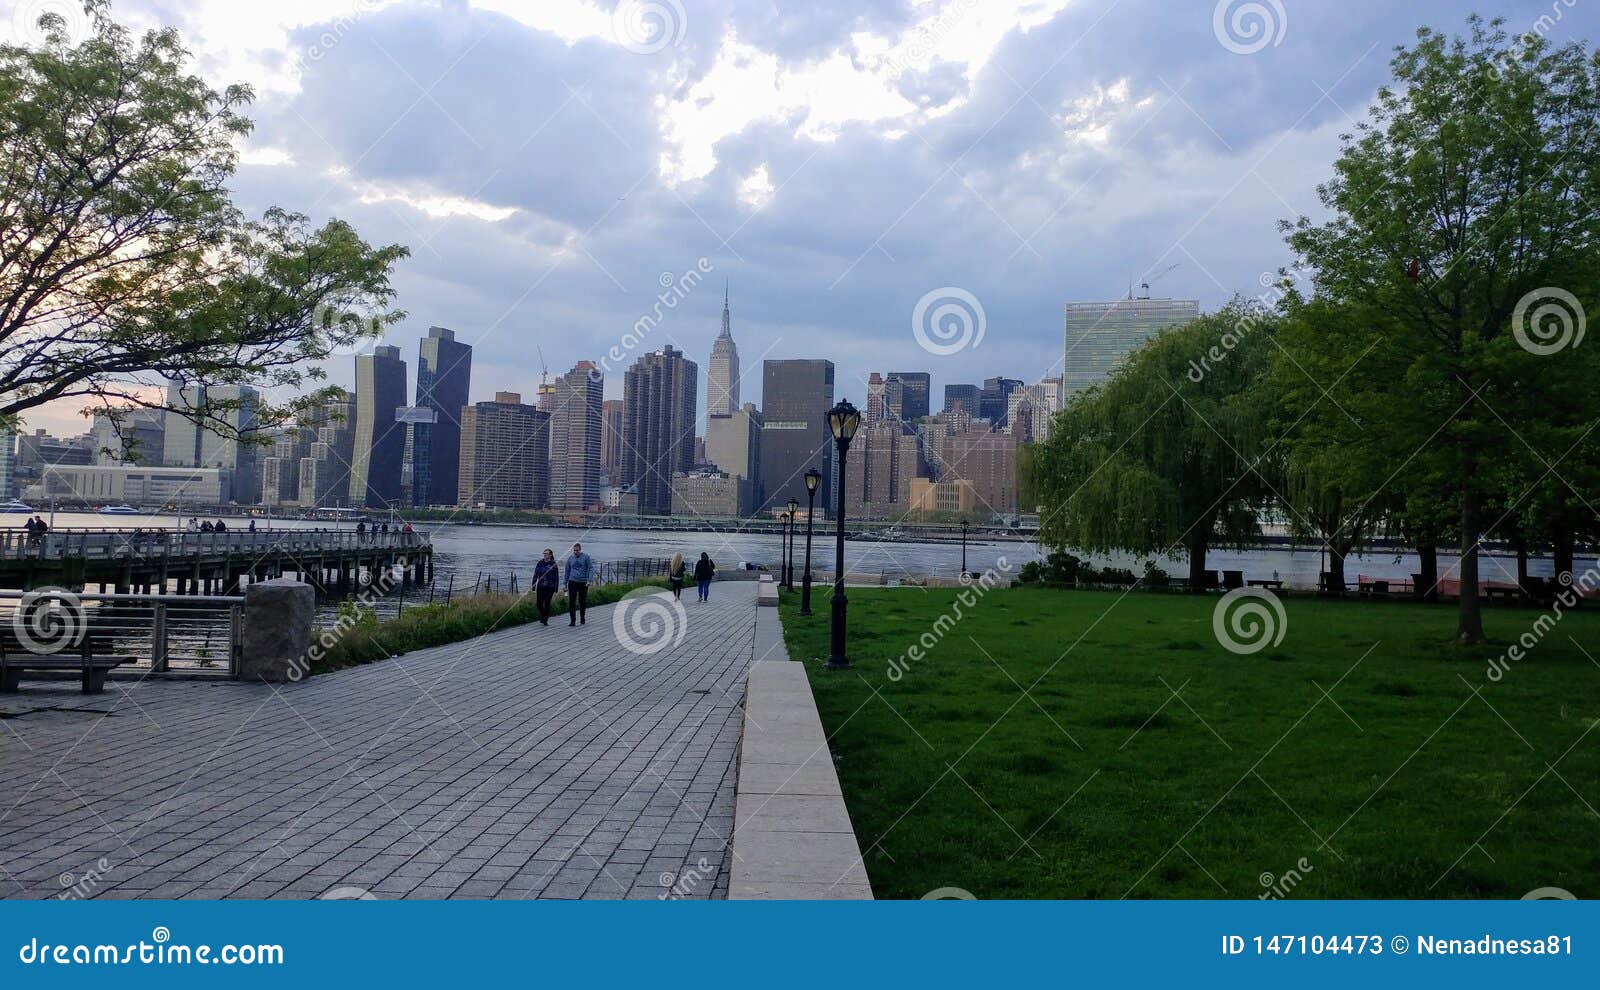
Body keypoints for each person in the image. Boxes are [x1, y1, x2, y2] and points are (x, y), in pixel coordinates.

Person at [564, 542, 596, 626]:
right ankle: (572, 620)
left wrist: (589, 580)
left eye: (577, 550)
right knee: (572, 601)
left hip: (583, 582)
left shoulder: (586, 557)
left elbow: (591, 568)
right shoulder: (570, 558)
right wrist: (565, 583)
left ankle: (582, 617)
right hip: (572, 581)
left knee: (582, 601)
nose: (575, 552)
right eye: (574, 550)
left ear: (580, 550)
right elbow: (567, 571)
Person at [533, 549, 560, 626]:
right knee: (539, 603)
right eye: (544, 553)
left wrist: (556, 587)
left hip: (550, 587)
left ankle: (545, 619)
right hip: (541, 586)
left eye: (546, 554)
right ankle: (543, 614)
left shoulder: (554, 564)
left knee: (547, 603)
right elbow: (536, 574)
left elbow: (556, 577)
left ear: (550, 555)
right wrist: (533, 584)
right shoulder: (540, 563)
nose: (545, 555)